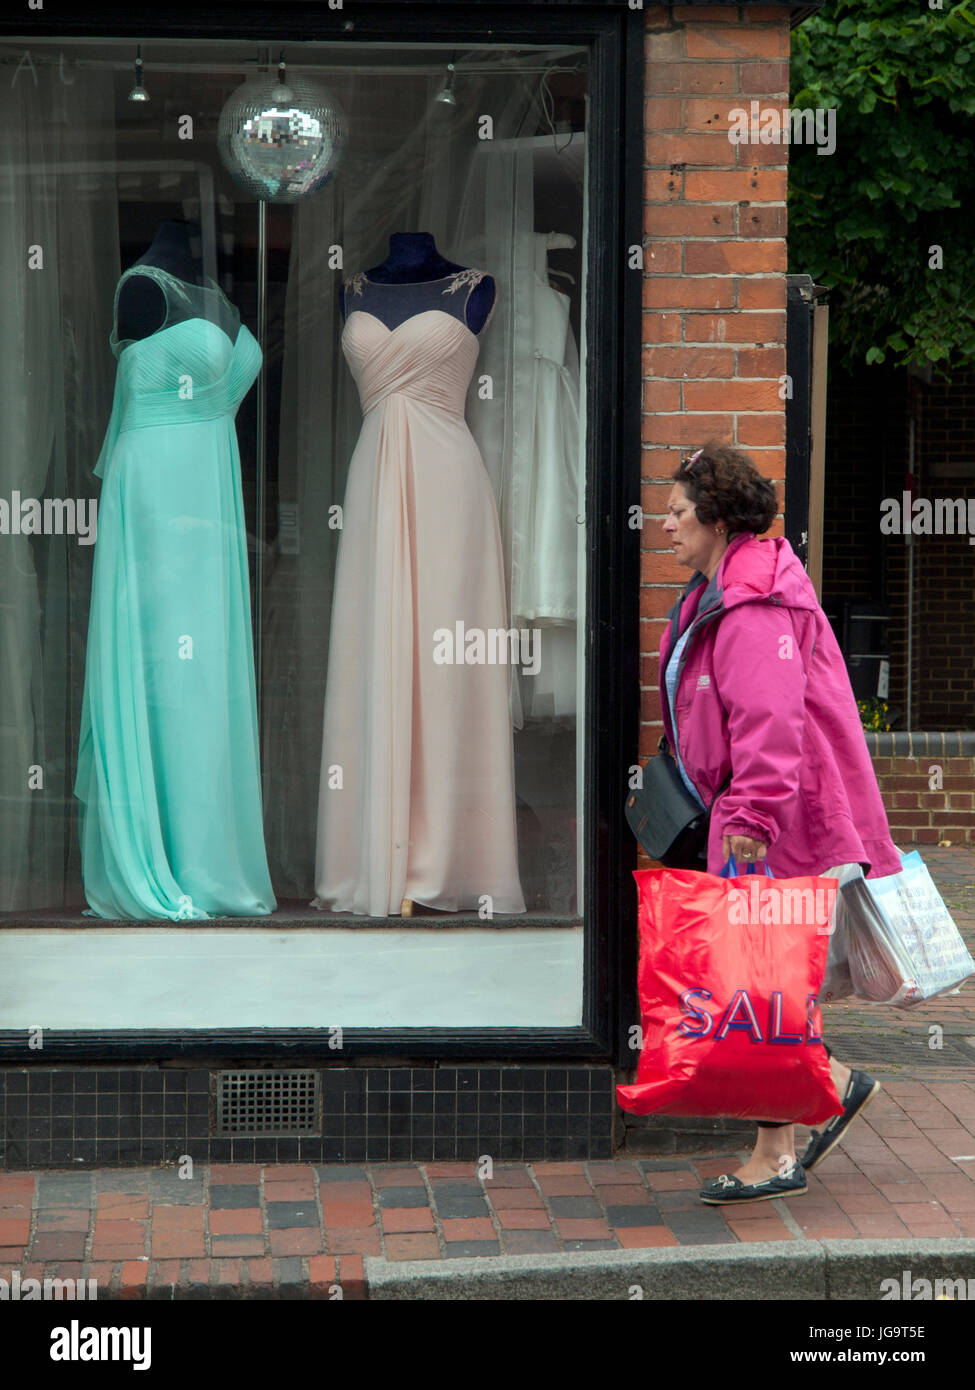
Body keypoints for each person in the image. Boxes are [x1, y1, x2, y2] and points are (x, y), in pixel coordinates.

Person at [658, 441, 902, 1205]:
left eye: (674, 513)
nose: (662, 525)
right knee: (763, 981)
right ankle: (819, 1093)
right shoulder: (723, 587)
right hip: (747, 811)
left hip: (767, 818)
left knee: (758, 983)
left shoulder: (751, 598)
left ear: (717, 516)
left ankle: (781, 1149)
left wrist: (752, 818)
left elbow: (768, 720)